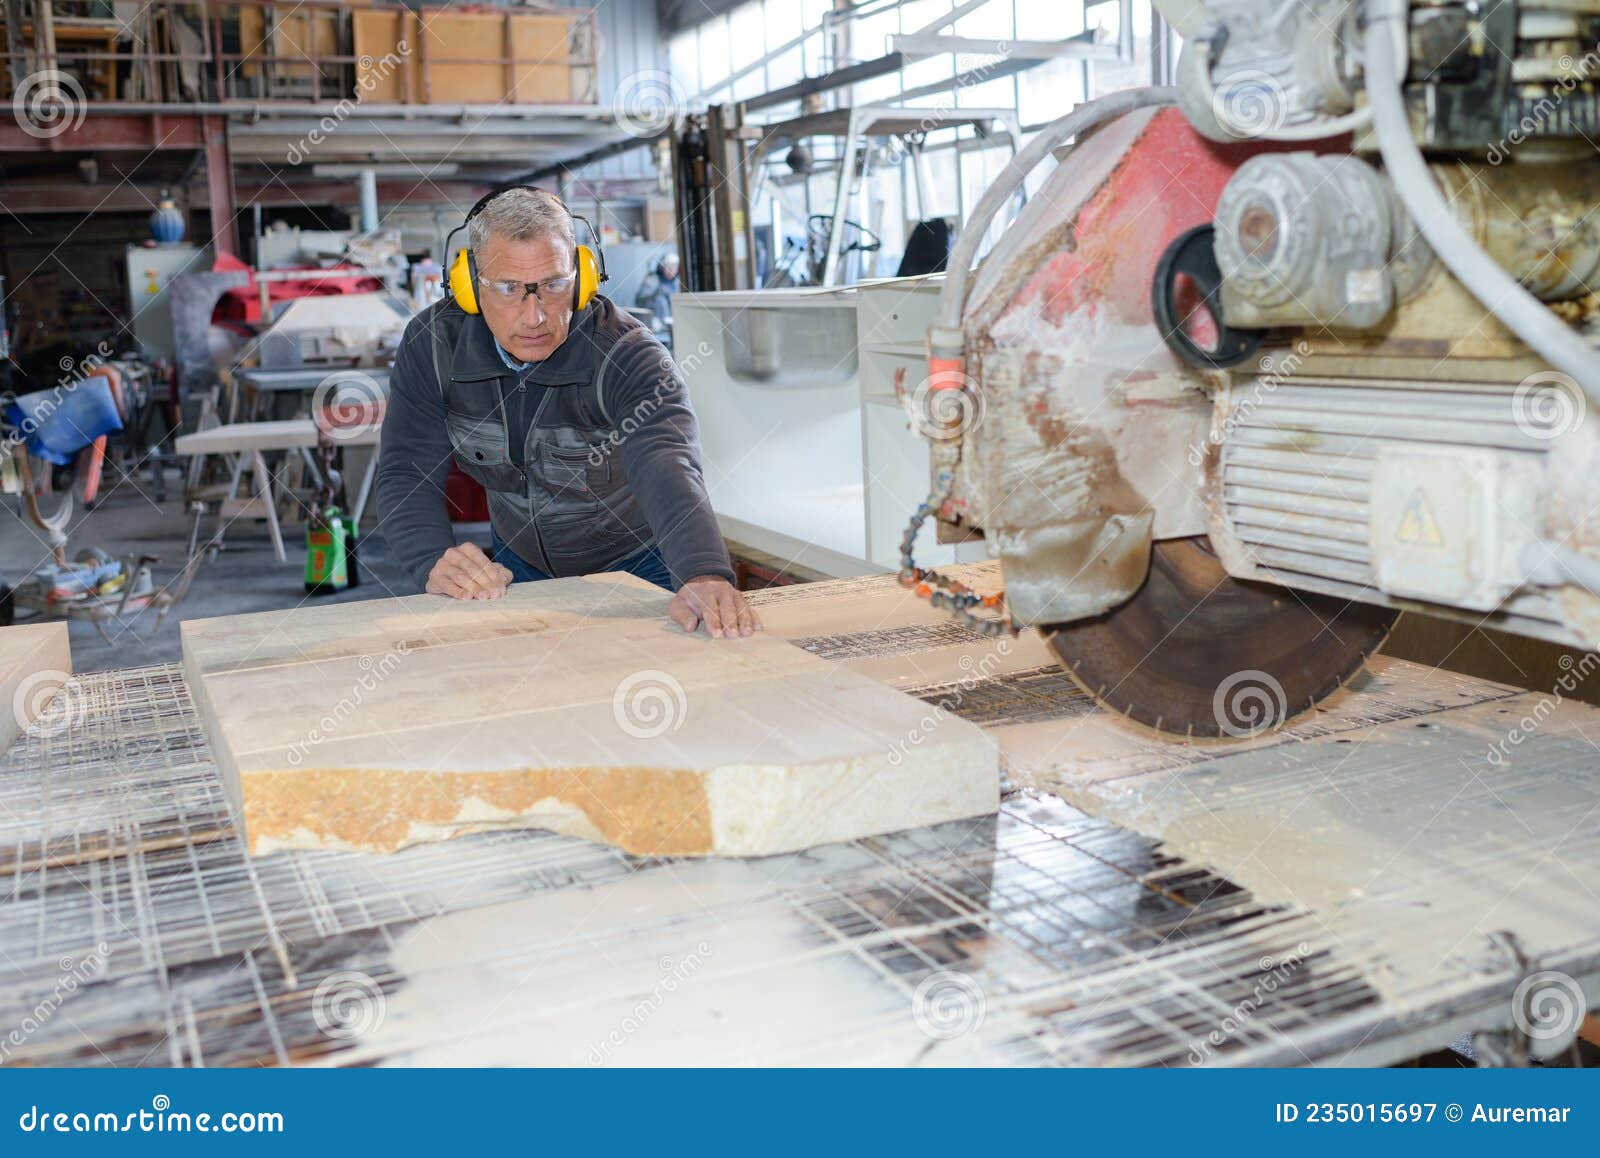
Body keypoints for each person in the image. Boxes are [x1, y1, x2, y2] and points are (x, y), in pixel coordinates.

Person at [375, 188, 758, 638]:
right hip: (517, 570)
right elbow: (406, 468)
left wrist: (703, 572)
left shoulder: (626, 354)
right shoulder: (435, 346)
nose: (535, 316)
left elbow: (666, 459)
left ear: (583, 277)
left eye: (554, 284)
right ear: (469, 284)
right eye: (509, 288)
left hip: (640, 568)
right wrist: (430, 558)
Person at [634, 251, 680, 344]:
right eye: (668, 266)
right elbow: (639, 301)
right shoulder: (652, 280)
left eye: (674, 266)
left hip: (673, 329)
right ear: (662, 267)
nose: (671, 270)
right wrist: (654, 295)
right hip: (656, 329)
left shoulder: (678, 283)